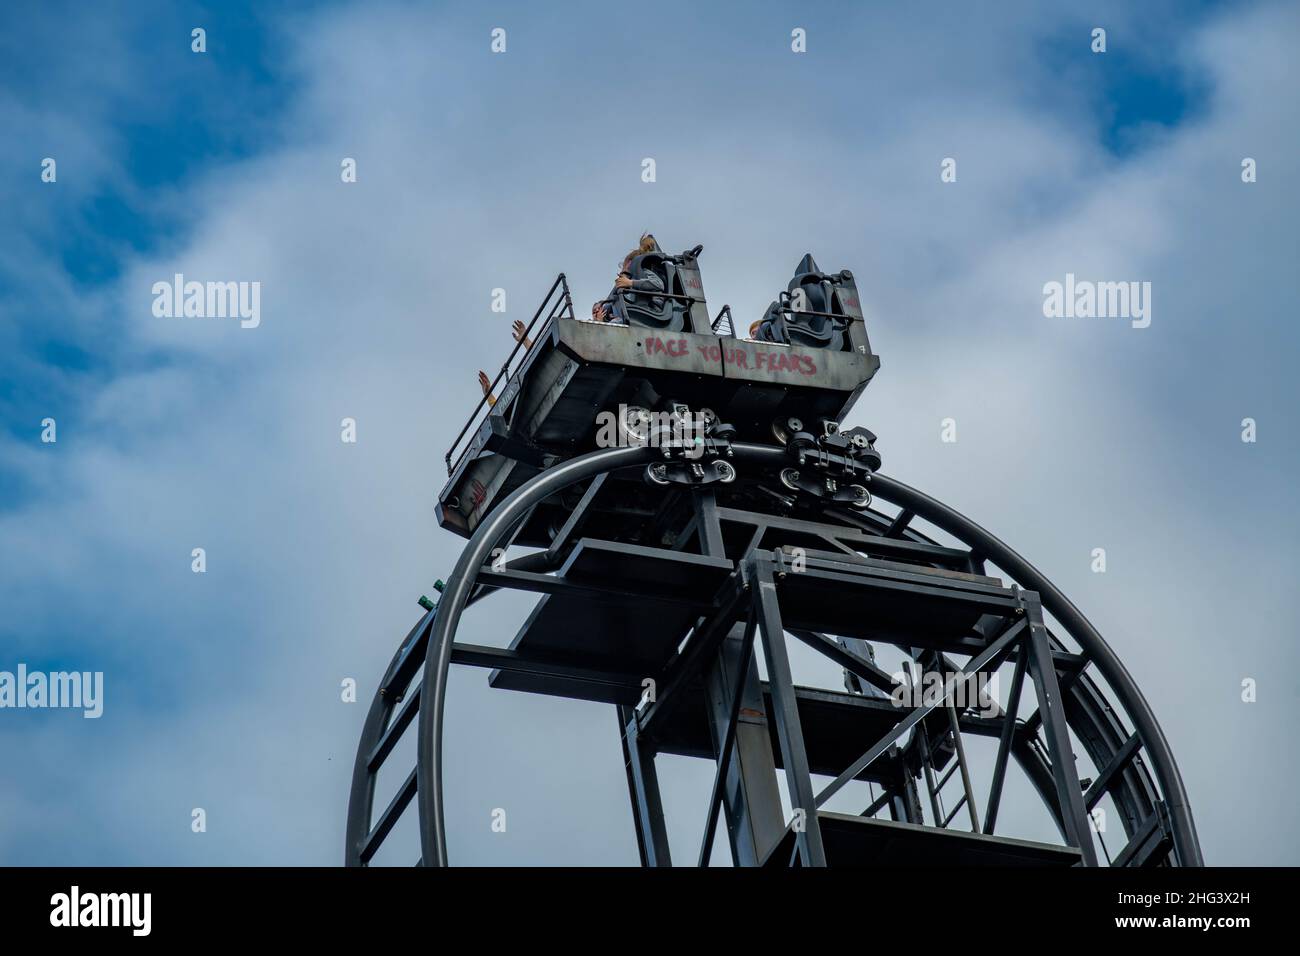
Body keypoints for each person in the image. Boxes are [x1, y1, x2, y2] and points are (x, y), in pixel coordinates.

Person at [592, 234, 664, 323]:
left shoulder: (643, 272)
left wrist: (630, 283)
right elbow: (613, 301)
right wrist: (599, 315)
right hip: (636, 314)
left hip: (650, 313)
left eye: (625, 266)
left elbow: (659, 284)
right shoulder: (628, 281)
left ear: (631, 264)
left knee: (616, 323)